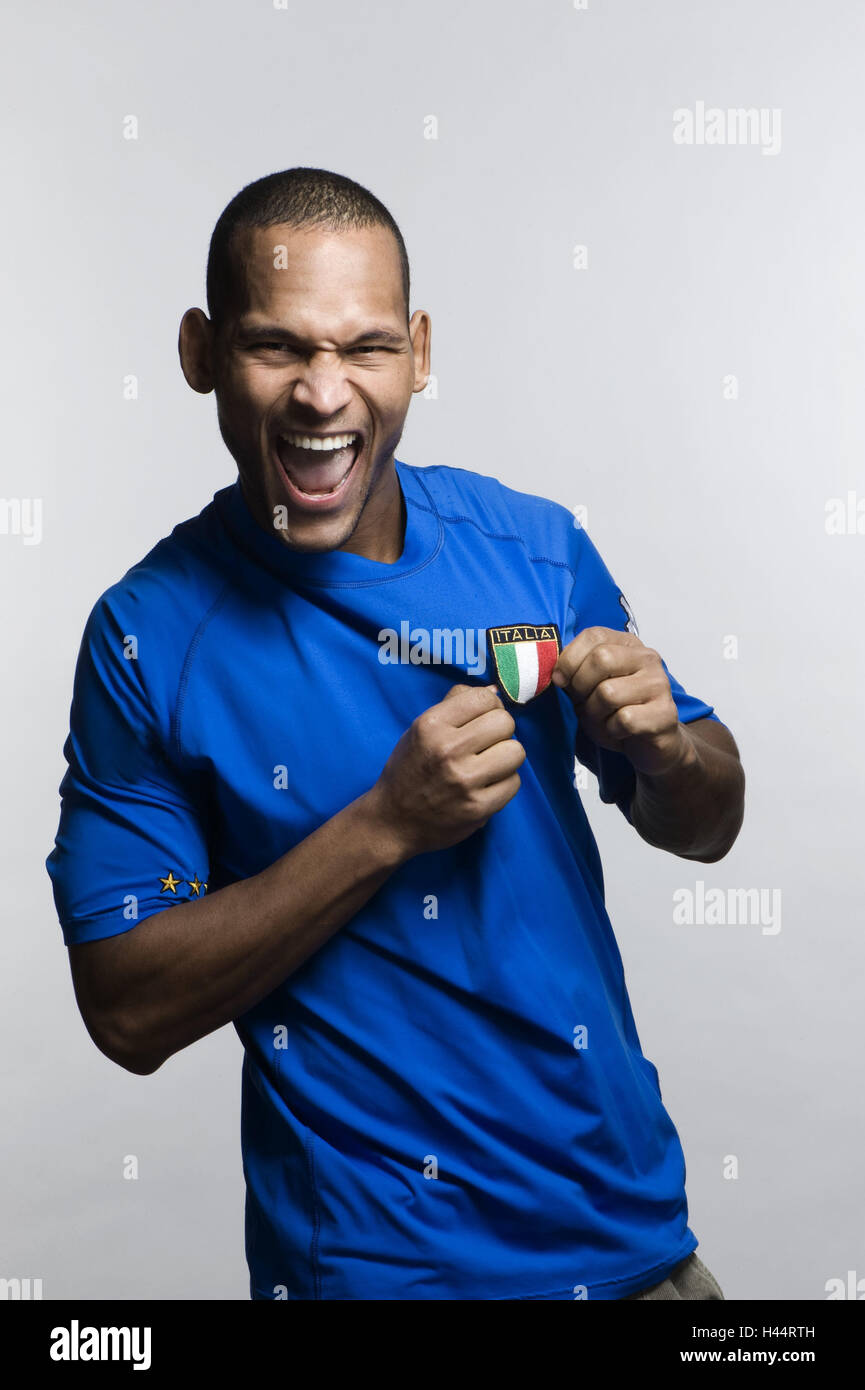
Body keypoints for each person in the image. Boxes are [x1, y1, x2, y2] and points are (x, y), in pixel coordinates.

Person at [46, 167, 745, 1301]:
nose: (325, 393)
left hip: (637, 1247)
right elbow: (126, 1006)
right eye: (279, 347)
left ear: (418, 352)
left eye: (366, 347)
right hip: (377, 1275)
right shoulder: (146, 637)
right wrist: (381, 826)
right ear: (200, 353)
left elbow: (710, 822)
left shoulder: (533, 549)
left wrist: (670, 752)